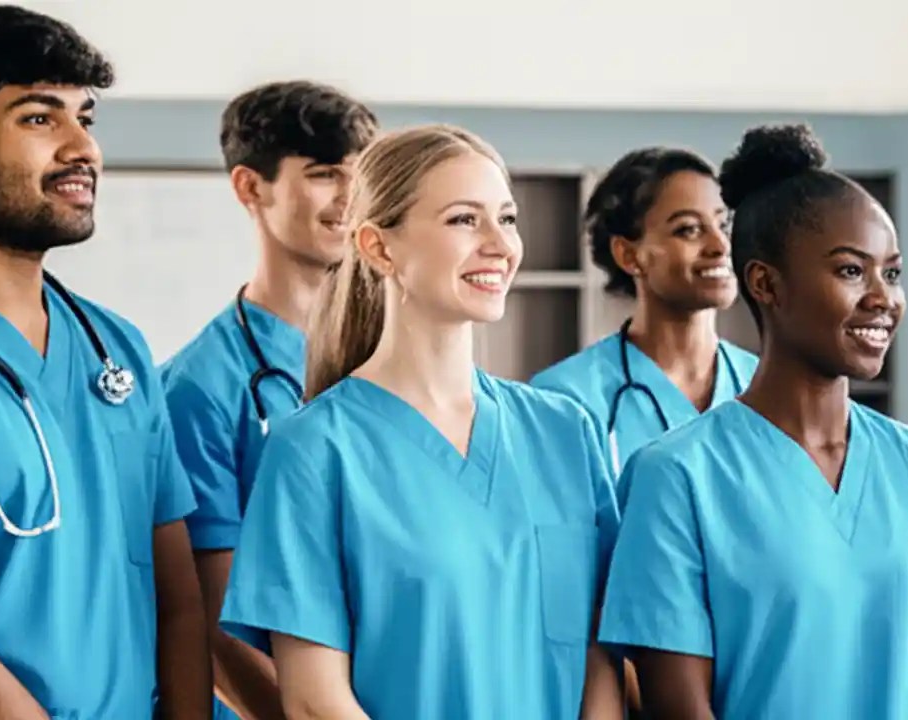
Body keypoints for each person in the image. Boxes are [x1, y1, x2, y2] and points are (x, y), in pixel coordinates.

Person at [219, 124, 624, 719]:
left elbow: (598, 659)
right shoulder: (315, 450)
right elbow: (313, 701)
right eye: (465, 219)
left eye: (507, 219)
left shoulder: (564, 432)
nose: (499, 244)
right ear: (380, 248)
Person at [597, 123, 908, 719]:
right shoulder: (676, 477)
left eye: (893, 272)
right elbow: (679, 710)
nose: (883, 296)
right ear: (765, 283)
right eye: (852, 271)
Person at [0, 3, 210, 718]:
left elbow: (180, 603)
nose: (84, 148)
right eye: (40, 118)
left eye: (87, 118)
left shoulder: (118, 350)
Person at [160, 80, 376, 720]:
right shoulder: (198, 388)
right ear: (251, 188)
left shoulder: (387, 360)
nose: (350, 200)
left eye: (360, 177)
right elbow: (215, 624)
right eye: (325, 175)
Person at [531, 147, 757, 475]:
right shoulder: (564, 398)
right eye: (689, 229)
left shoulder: (767, 389)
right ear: (628, 254)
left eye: (724, 224)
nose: (720, 245)